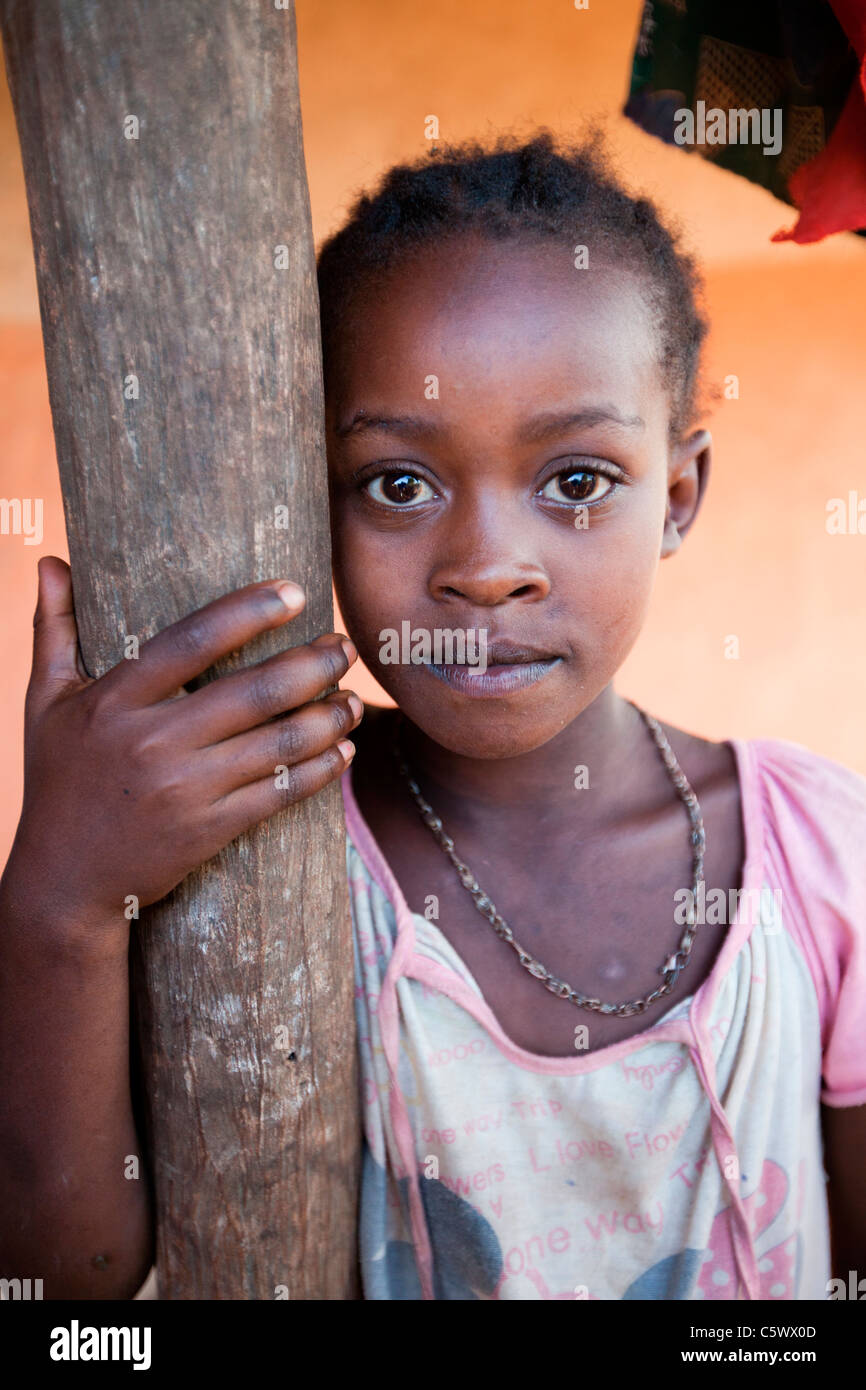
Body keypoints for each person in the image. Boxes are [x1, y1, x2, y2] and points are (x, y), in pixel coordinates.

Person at [1, 130, 864, 1301]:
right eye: (397, 484)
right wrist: (62, 892)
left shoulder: (823, 866)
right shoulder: (246, 852)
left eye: (575, 479)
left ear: (674, 495)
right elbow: (64, 1285)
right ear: (308, 506)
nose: (486, 567)